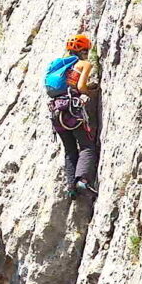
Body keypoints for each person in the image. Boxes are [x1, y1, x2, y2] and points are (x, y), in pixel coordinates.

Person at [44, 33, 101, 199]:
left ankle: (71, 188)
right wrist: (92, 90)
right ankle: (82, 181)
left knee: (69, 150)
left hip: (56, 112)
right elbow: (82, 86)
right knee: (86, 146)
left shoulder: (59, 66)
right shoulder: (83, 64)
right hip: (72, 111)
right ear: (83, 50)